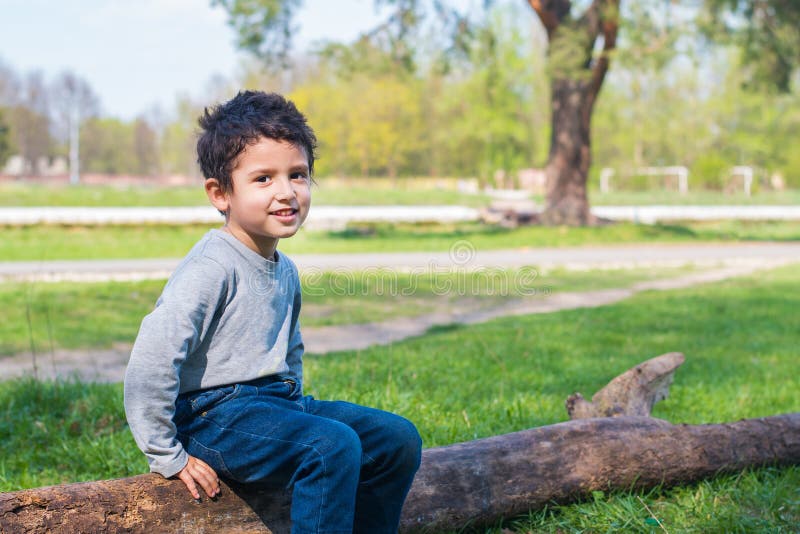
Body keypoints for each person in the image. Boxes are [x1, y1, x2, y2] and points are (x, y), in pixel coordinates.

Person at [124, 90, 422, 533]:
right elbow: (151, 360)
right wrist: (166, 453)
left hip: (275, 404)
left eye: (297, 175)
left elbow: (290, 347)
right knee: (329, 445)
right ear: (220, 193)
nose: (286, 192)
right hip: (212, 418)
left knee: (396, 439)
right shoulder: (212, 267)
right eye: (263, 179)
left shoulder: (285, 270)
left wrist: (293, 415)